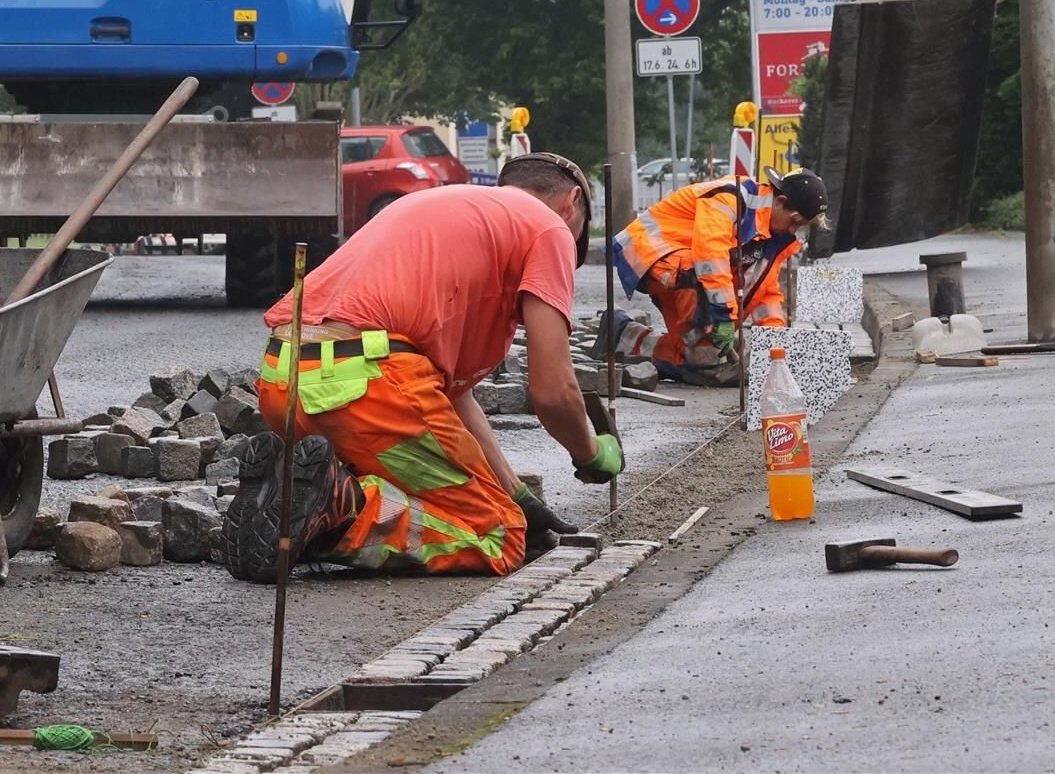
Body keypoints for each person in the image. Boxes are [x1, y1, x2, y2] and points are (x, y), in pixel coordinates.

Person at [223, 152, 622, 581]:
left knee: (459, 507)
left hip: (284, 377)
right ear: (572, 203)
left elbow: (449, 401)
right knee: (502, 537)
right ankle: (343, 512)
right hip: (367, 384)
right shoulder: (549, 227)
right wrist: (592, 452)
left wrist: (516, 494)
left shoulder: (449, 212)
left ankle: (289, 509)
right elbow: (552, 391)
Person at [604, 167, 826, 385]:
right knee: (706, 357)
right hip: (652, 253)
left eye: (800, 226)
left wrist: (775, 346)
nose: (792, 231)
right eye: (794, 221)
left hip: (686, 273)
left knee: (700, 355)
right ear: (779, 202)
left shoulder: (774, 237)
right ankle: (696, 355)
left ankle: (622, 335)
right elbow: (710, 256)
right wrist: (723, 315)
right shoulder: (731, 197)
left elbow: (764, 292)